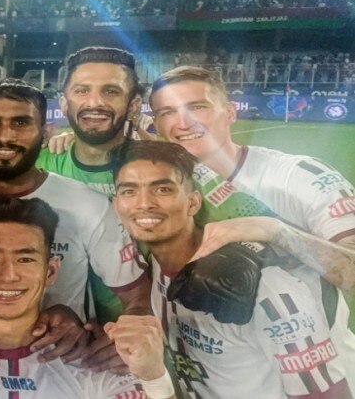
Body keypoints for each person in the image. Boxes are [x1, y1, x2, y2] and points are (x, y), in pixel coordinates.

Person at [38, 47, 277, 323]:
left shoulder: (174, 168)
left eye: (111, 91)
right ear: (65, 103)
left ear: (133, 105)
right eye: (81, 91)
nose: (95, 102)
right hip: (63, 340)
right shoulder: (39, 166)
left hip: (153, 332)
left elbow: (269, 230)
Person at [111, 140, 355, 398]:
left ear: (193, 203)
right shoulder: (154, 263)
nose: (144, 204)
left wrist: (154, 380)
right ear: (116, 207)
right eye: (129, 192)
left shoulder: (266, 289)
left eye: (162, 189)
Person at [0, 197, 175, 399]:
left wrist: (154, 379)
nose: (7, 275)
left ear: (51, 271)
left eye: (25, 259)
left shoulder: (94, 361)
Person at [0, 78, 150, 368]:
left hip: (60, 369)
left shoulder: (87, 204)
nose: (5, 136)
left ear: (46, 133)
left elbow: (137, 296)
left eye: (21, 123)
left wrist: (123, 337)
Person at [148, 66, 355, 295]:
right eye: (167, 112)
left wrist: (277, 232)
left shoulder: (298, 176)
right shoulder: (149, 187)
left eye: (197, 107)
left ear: (230, 113)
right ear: (156, 124)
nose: (183, 123)